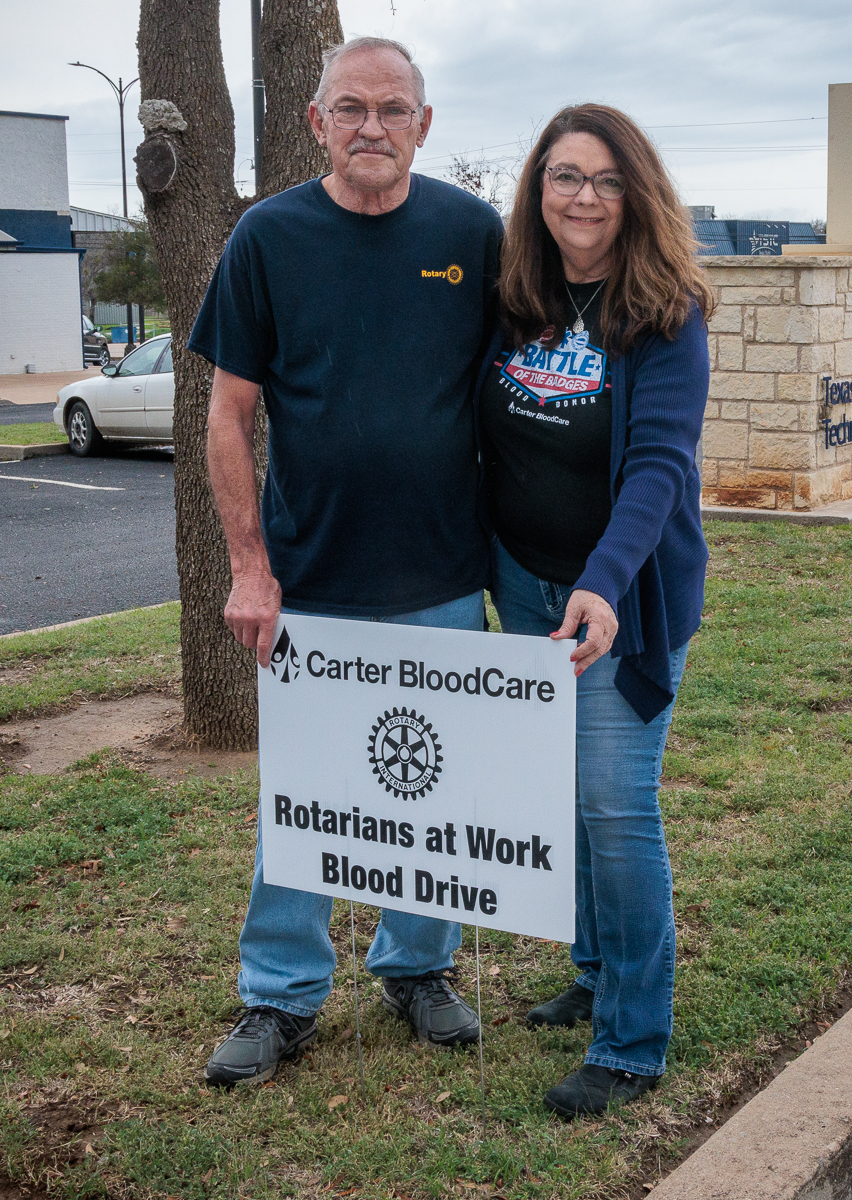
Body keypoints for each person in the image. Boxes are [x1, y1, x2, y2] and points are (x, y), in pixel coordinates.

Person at [189, 36, 504, 1086]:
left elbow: (527, 380)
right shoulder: (267, 237)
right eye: (352, 108)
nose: (373, 126)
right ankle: (280, 993)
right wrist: (250, 568)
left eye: (393, 108)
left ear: (424, 123)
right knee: (306, 793)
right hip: (311, 579)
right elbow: (228, 415)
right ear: (316, 121)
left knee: (431, 787)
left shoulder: (473, 233)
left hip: (443, 573)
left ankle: (417, 966)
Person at [477, 104, 713, 1117]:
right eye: (565, 176)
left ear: (637, 194)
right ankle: (593, 968)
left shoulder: (665, 312)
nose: (584, 197)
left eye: (607, 180)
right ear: (538, 189)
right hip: (523, 583)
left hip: (620, 598)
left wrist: (603, 582)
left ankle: (631, 1040)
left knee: (616, 808)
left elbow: (659, 466)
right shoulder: (514, 298)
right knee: (564, 795)